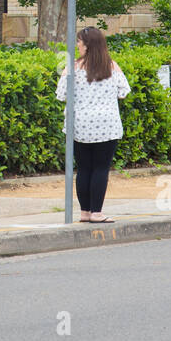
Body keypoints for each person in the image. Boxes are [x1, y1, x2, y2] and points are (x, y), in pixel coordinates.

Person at [56, 26, 130, 222]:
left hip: (80, 125)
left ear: (87, 45)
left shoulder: (72, 67)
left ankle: (85, 212)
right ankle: (97, 212)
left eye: (79, 42)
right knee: (100, 168)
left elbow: (61, 95)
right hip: (107, 125)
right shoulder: (112, 67)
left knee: (84, 168)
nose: (77, 45)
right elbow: (123, 92)